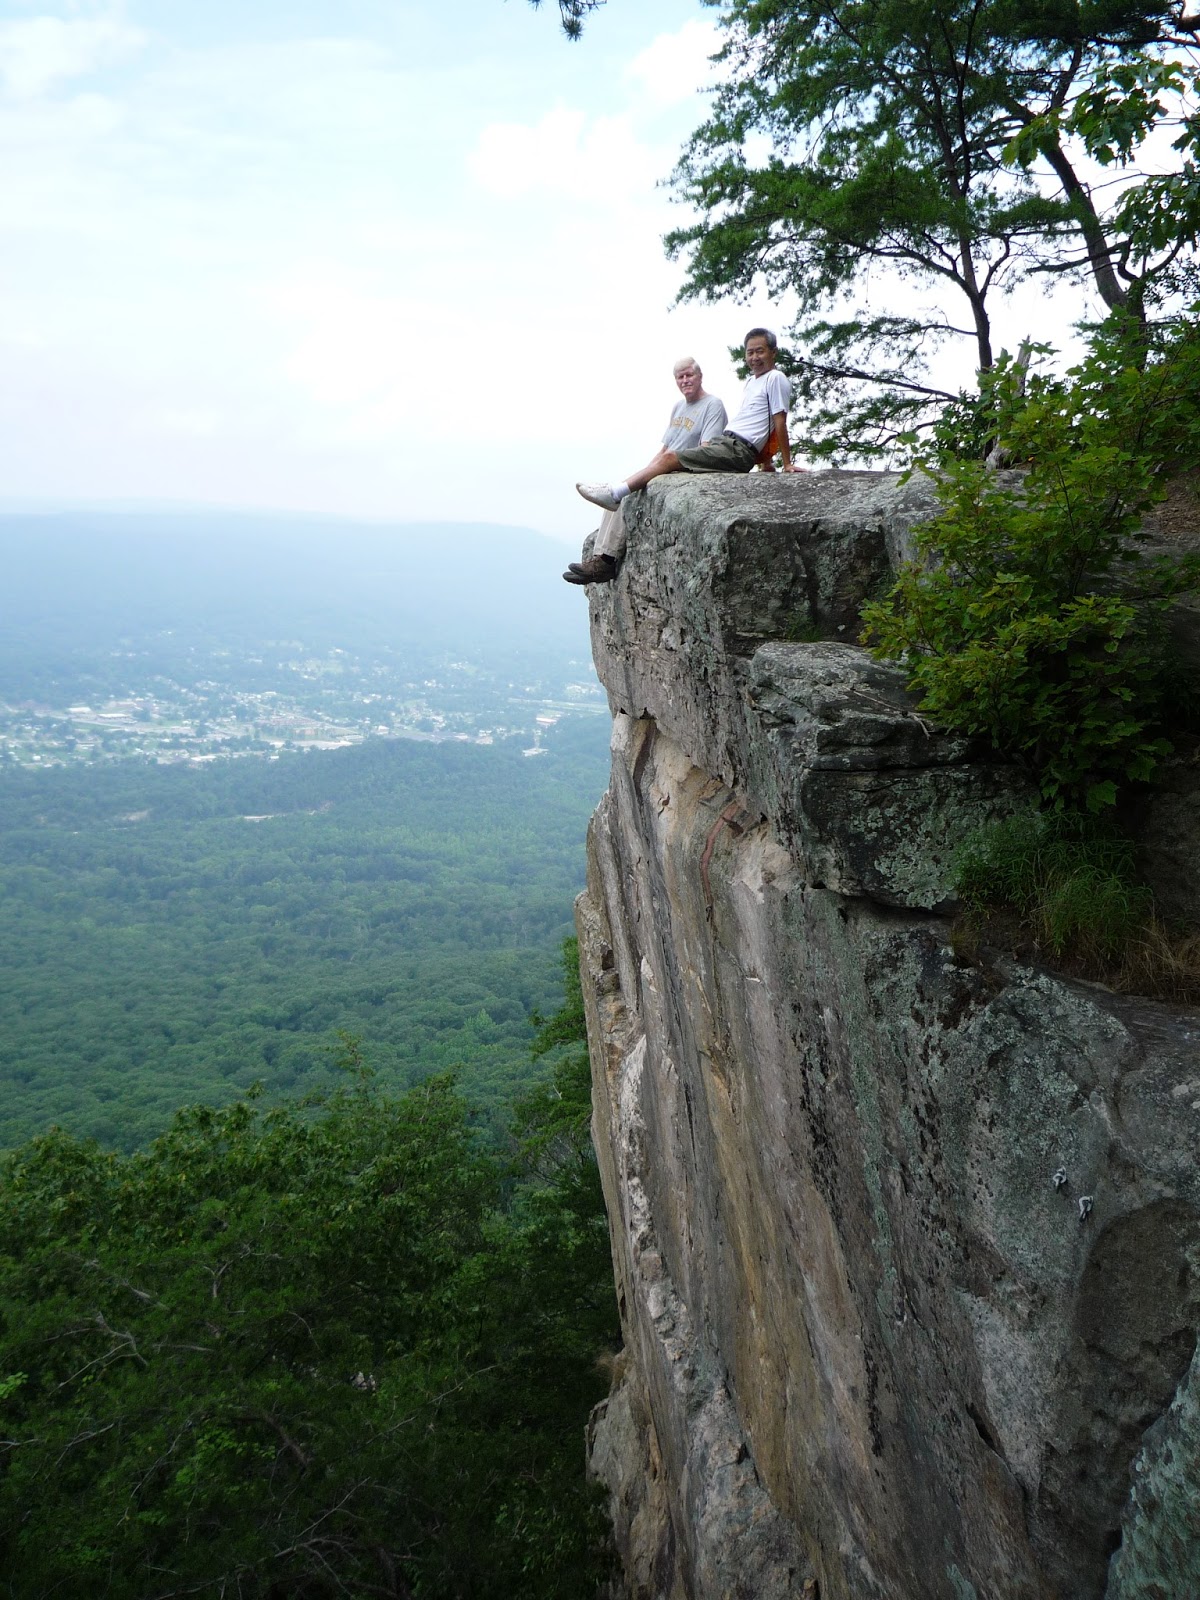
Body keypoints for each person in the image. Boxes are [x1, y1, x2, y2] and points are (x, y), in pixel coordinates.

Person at [567, 328, 800, 585]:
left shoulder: (775, 378)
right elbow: (760, 423)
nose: (754, 357)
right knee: (644, 475)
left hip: (737, 449)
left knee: (658, 468)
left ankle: (612, 501)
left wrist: (786, 463)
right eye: (750, 352)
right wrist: (766, 462)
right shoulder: (752, 382)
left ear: (773, 352)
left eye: (760, 351)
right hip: (731, 441)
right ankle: (603, 549)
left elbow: (779, 420)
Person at [564, 356, 727, 586]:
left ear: (700, 376)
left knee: (625, 494)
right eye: (680, 377)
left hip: (685, 468)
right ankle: (599, 557)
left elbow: (707, 449)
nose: (685, 380)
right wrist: (647, 471)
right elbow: (666, 446)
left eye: (689, 375)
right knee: (620, 491)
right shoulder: (679, 407)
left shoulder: (713, 405)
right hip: (666, 466)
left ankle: (606, 563)